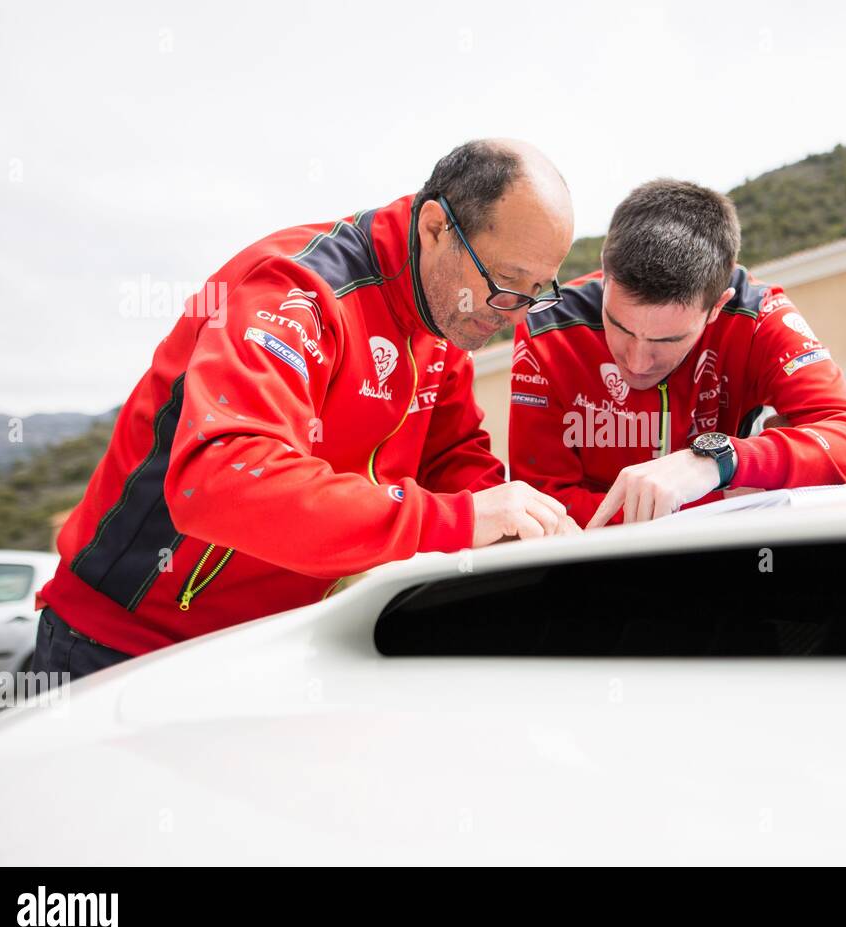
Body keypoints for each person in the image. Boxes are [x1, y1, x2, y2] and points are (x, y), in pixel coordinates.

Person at [35, 139, 578, 679]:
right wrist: (454, 522)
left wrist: (524, 539)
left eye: (536, 291)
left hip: (272, 643)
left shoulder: (446, 322)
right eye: (506, 284)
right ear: (435, 227)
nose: (514, 315)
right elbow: (219, 480)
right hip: (121, 645)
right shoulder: (297, 289)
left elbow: (455, 463)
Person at [508, 179, 846, 528]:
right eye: (621, 326)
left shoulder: (758, 314)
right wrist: (724, 494)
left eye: (668, 340)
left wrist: (721, 461)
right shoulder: (546, 326)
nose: (637, 361)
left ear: (718, 306)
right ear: (605, 273)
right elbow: (544, 508)